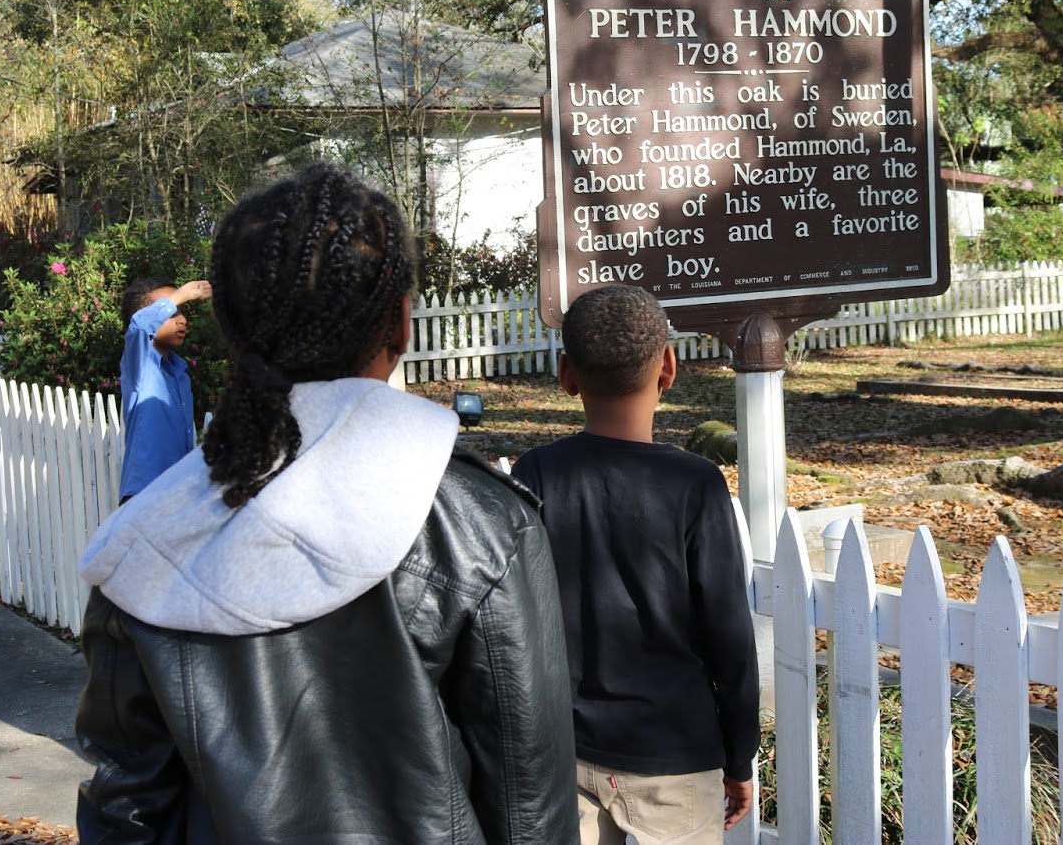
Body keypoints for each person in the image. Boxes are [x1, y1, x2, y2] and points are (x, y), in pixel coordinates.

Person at [76, 162, 578, 844]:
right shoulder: (484, 524)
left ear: (231, 328)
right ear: (402, 324)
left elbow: (125, 814)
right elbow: (530, 810)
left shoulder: (139, 543)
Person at [511, 284, 760, 845]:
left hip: (564, 754)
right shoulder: (695, 484)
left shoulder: (535, 474)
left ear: (566, 374)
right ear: (668, 366)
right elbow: (729, 636)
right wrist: (739, 756)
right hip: (674, 757)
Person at [116, 276, 211, 502]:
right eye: (172, 312)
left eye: (182, 312)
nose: (183, 321)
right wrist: (182, 294)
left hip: (173, 495)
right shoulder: (140, 364)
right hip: (143, 493)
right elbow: (139, 326)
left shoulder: (180, 374)